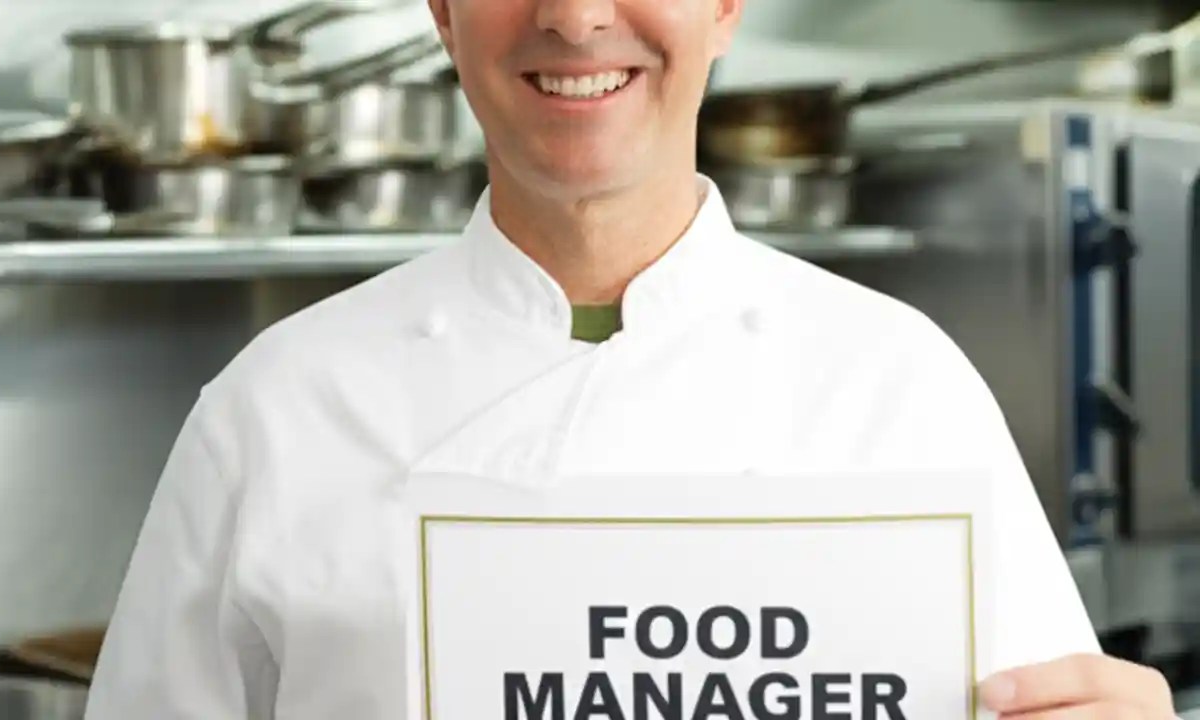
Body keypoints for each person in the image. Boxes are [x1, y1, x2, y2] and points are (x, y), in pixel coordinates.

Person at [85, 0, 1178, 717]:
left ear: (724, 6)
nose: (573, 16)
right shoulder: (276, 409)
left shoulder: (898, 383)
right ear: (442, 13)